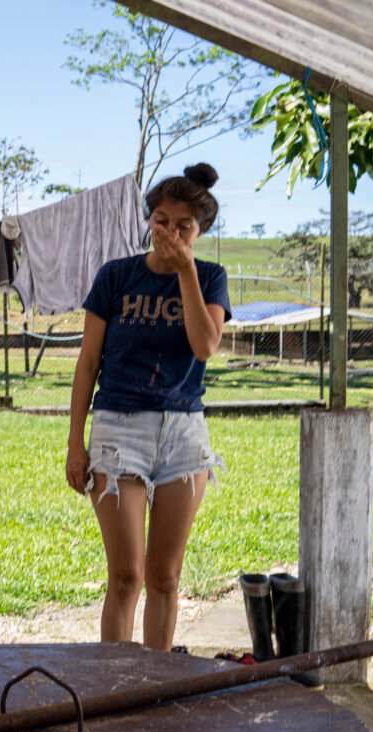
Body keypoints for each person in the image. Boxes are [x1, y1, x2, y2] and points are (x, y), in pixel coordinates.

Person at [64, 163, 230, 651]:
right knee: (126, 576)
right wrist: (75, 442)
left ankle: (157, 682)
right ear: (149, 221)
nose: (170, 233)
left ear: (200, 231)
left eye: (183, 226)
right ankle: (117, 680)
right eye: (161, 221)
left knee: (166, 577)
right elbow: (87, 363)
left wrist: (186, 273)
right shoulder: (116, 276)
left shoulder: (210, 277)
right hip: (119, 431)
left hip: (184, 434)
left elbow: (204, 345)